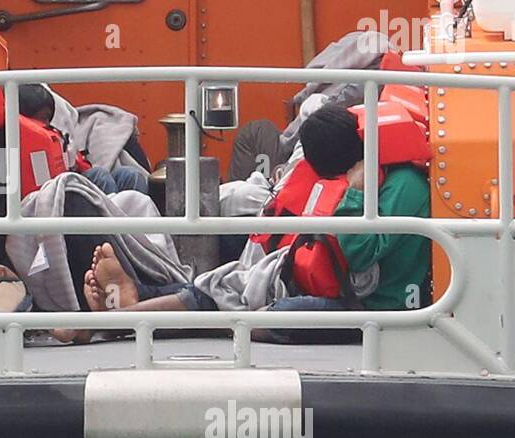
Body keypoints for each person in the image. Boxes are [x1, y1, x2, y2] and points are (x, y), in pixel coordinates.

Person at [86, 104, 431, 324]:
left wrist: (355, 194)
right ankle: (131, 303)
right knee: (228, 283)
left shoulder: (404, 185)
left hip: (371, 308)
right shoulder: (365, 174)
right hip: (325, 286)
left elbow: (359, 256)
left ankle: (122, 318)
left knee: (268, 316)